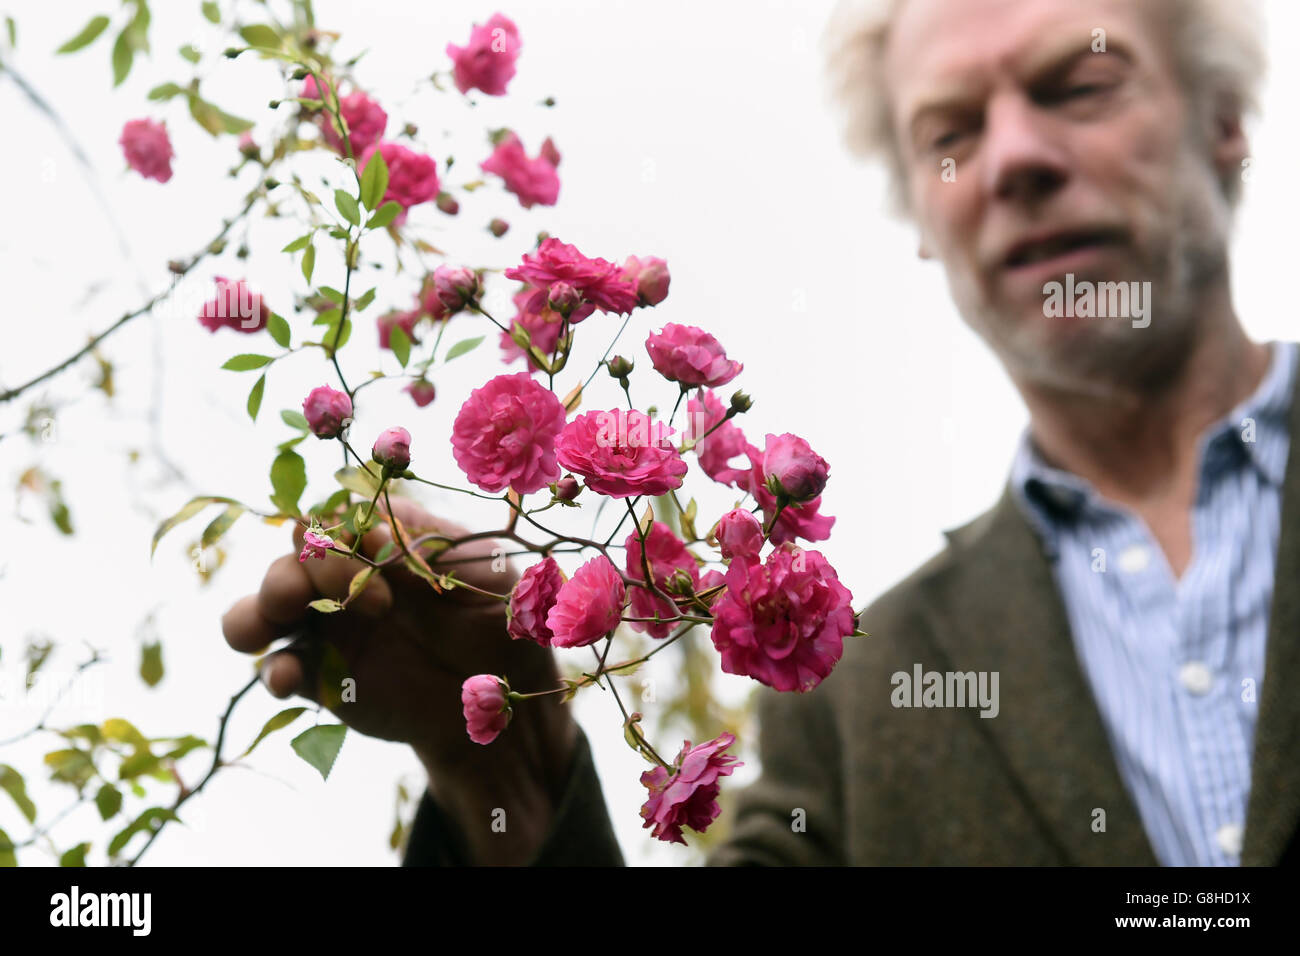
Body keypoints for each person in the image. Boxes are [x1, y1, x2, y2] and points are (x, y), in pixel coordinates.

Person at [221, 0, 1300, 865]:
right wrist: (507, 775)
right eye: (950, 135)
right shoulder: (846, 714)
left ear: (1223, 121)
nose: (1012, 156)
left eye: (1081, 83)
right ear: (927, 224)